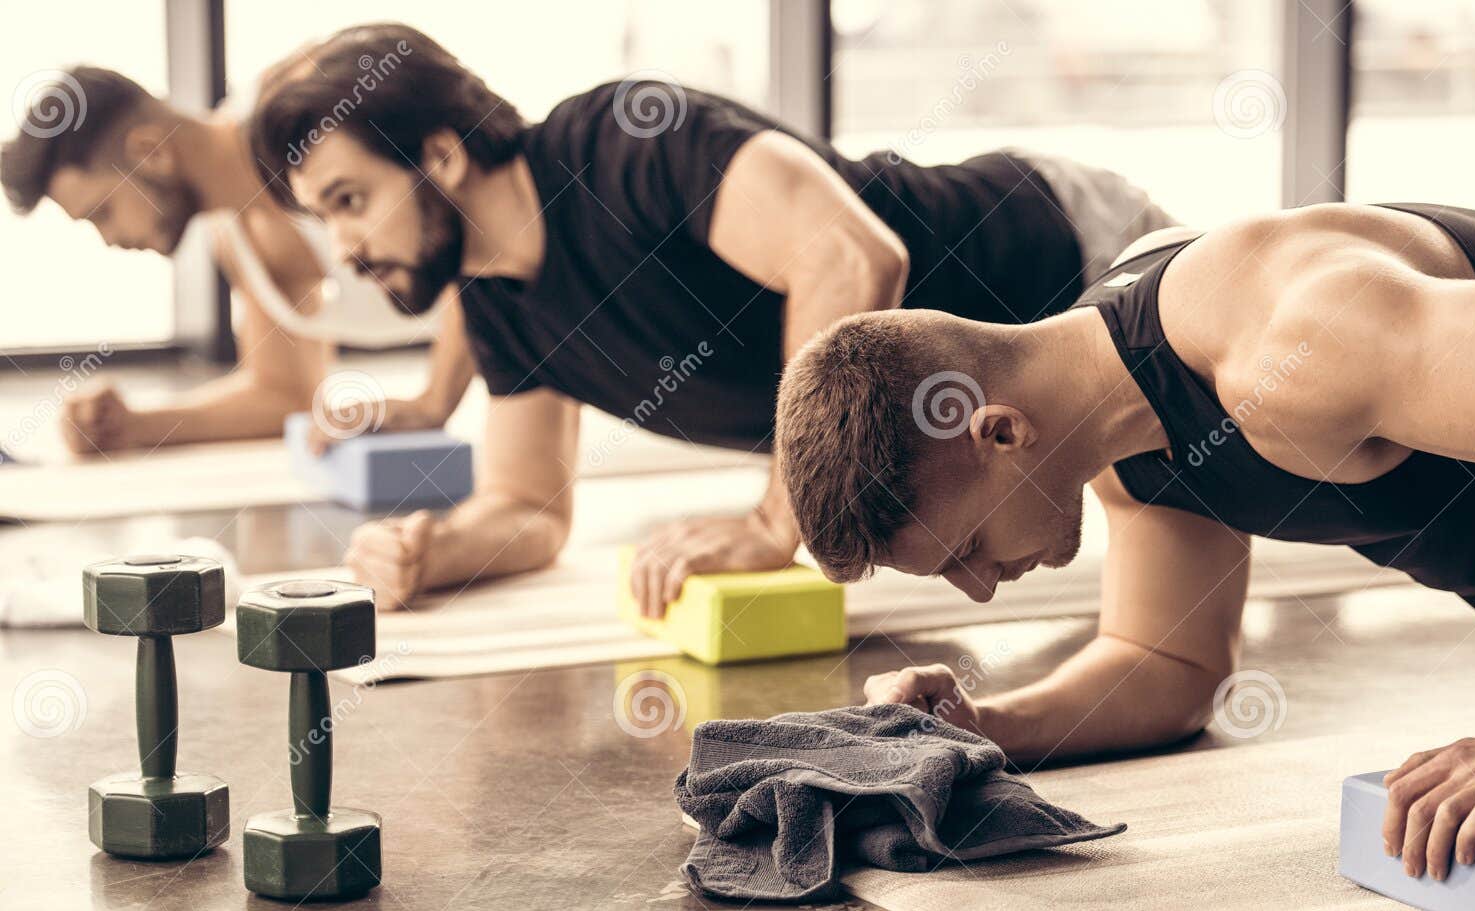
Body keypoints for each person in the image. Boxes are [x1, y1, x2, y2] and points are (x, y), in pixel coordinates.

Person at [775, 199, 1475, 881]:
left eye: (964, 552)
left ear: (998, 434)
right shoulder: (1119, 429)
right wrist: (984, 726)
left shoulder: (1286, 342)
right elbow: (1168, 666)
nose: (981, 589)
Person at [245, 23, 1174, 613]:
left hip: (1072, 256)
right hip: (999, 412)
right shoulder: (495, 306)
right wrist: (432, 550)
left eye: (349, 201)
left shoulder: (621, 141)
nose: (345, 246)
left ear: (439, 156)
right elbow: (530, 508)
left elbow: (851, 255)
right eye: (323, 219)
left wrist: (779, 521)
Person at [0, 66, 474, 455]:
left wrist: (435, 400)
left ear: (150, 153)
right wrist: (134, 426)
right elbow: (284, 392)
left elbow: (479, 216)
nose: (109, 239)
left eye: (102, 212)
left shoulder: (303, 101)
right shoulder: (232, 238)